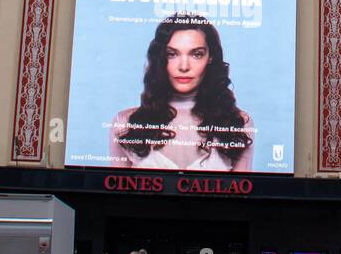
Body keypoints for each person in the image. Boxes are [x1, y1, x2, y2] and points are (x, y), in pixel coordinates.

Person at [109, 14, 255, 172]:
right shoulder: (124, 124)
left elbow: (242, 194)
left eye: (196, 54)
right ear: (160, 57)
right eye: (172, 54)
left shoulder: (239, 124)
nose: (184, 66)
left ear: (210, 57)